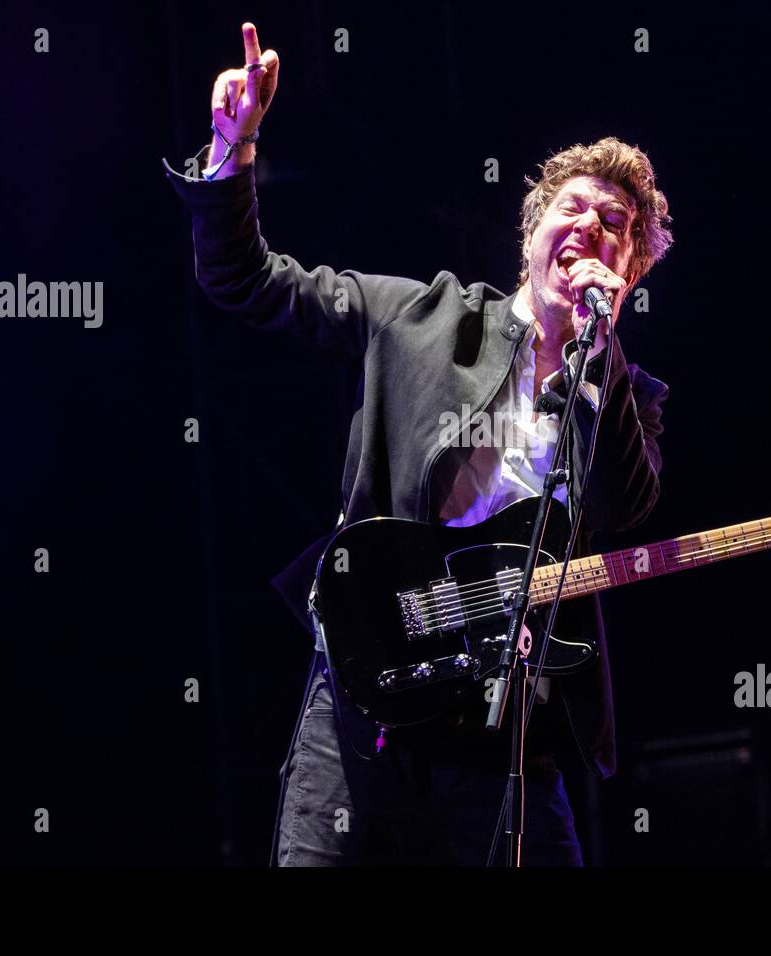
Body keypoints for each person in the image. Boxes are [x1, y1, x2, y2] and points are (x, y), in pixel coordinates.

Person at [164, 22, 673, 865]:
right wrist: (234, 149)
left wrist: (601, 359)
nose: (588, 228)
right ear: (531, 230)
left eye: (612, 223)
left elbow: (623, 511)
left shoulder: (625, 394)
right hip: (363, 701)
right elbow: (246, 283)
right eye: (571, 209)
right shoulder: (420, 317)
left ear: (632, 269)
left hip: (504, 731)